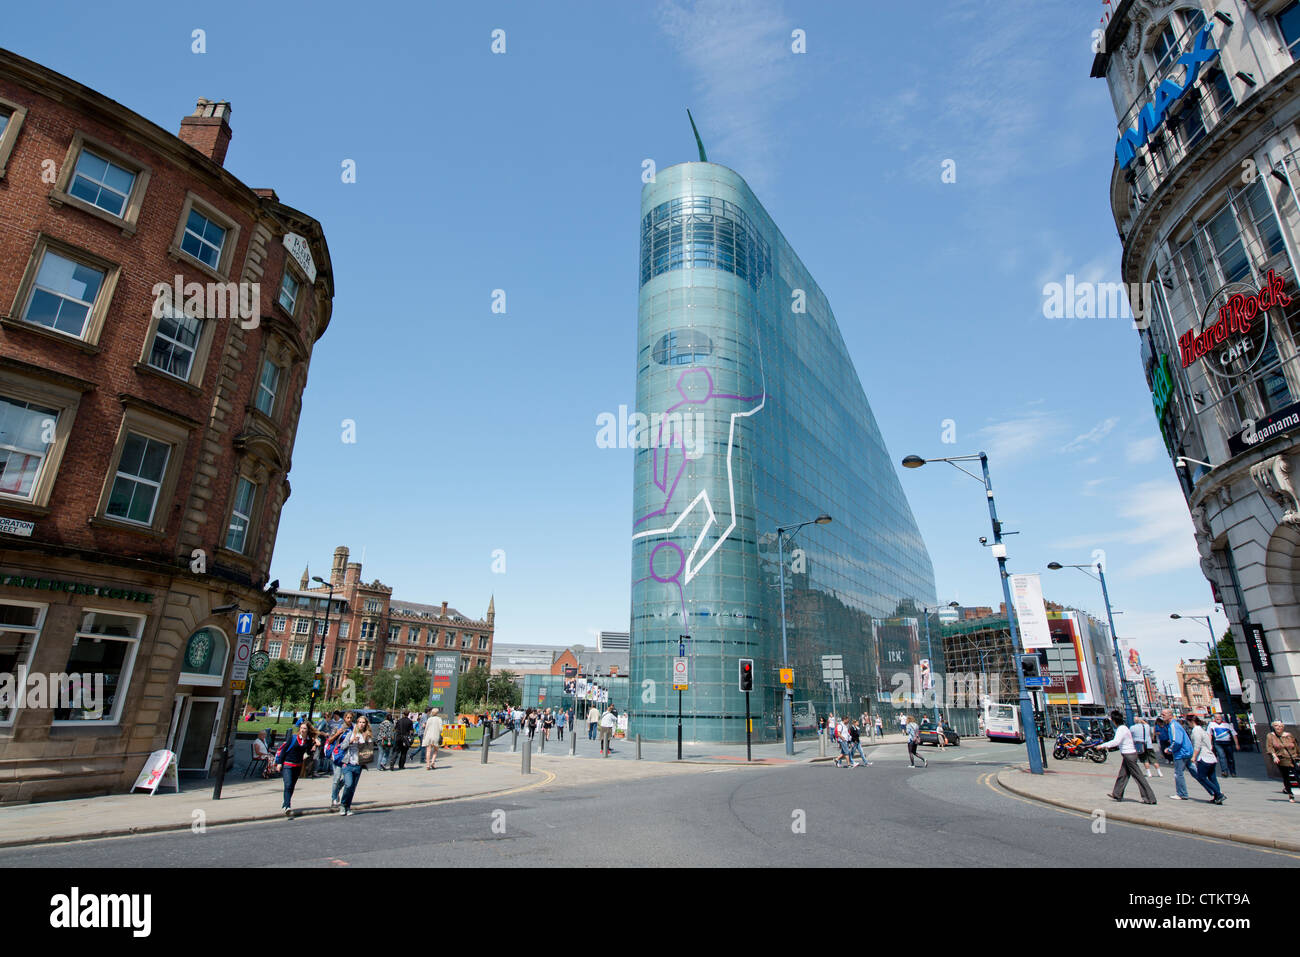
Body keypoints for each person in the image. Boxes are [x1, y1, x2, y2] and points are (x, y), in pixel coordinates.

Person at [1099, 709, 1157, 805]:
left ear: (1114, 721)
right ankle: (1117, 793)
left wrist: (1102, 745)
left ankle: (1149, 798)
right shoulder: (1125, 727)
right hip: (1129, 754)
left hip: (1129, 755)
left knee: (1138, 777)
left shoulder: (1121, 729)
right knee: (1123, 775)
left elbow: (1116, 742)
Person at [272, 721, 315, 818]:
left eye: (305, 728)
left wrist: (314, 746)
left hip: (298, 765)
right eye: (302, 728)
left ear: (308, 730)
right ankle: (287, 806)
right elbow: (284, 750)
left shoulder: (308, 741)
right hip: (287, 764)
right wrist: (279, 763)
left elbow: (308, 752)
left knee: (292, 786)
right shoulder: (293, 738)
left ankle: (286, 803)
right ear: (299, 729)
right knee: (288, 784)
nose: (303, 730)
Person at [337, 715, 374, 816]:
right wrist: (351, 741)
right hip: (348, 763)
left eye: (364, 722)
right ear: (357, 723)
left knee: (352, 787)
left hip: (358, 765)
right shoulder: (351, 733)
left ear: (366, 724)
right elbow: (342, 747)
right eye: (360, 722)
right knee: (348, 784)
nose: (362, 724)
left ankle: (347, 807)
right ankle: (342, 805)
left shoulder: (367, 735)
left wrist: (367, 741)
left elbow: (369, 750)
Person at [1187, 714, 1226, 805]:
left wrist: (1194, 757)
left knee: (1202, 777)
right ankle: (1217, 798)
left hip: (1203, 757)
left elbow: (1197, 745)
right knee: (1212, 778)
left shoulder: (1196, 731)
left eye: (1188, 722)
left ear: (1192, 722)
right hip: (1211, 757)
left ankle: (1219, 794)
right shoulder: (1202, 730)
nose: (1188, 724)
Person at [1156, 709, 1194, 800]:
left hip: (1181, 753)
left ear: (1170, 715)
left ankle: (1182, 794)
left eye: (1164, 714)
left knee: (1178, 774)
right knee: (1196, 773)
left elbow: (1177, 741)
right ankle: (1214, 791)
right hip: (1186, 752)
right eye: (1161, 714)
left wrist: (1169, 749)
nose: (1162, 716)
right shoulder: (1172, 725)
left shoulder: (1173, 725)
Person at [327, 711, 356, 808]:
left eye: (350, 718)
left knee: (347, 778)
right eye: (347, 717)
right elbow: (330, 740)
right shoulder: (338, 727)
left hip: (349, 756)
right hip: (338, 756)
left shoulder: (354, 728)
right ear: (344, 718)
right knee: (337, 777)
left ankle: (338, 788)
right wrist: (337, 734)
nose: (349, 719)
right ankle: (334, 798)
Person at [1265, 720, 1299, 802]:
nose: (1278, 727)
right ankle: (1290, 795)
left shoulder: (1289, 735)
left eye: (1280, 726)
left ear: (1283, 727)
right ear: (1273, 727)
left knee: (1298, 776)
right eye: (1276, 726)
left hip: (1293, 757)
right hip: (1282, 759)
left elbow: (1296, 746)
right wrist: (1274, 756)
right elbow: (1270, 747)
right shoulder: (1271, 736)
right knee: (1286, 777)